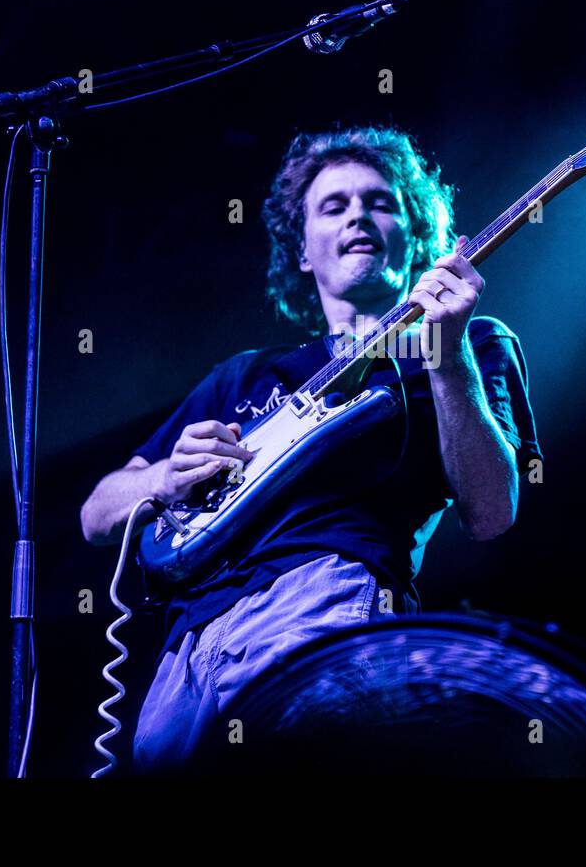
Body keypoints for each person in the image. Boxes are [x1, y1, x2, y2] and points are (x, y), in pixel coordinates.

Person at [79, 126, 542, 770]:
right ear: (302, 251)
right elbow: (97, 514)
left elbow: (492, 512)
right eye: (334, 205)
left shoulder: (472, 343)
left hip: (321, 605)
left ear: (419, 235)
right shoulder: (241, 374)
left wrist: (448, 354)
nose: (359, 215)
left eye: (381, 202)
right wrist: (165, 476)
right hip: (184, 655)